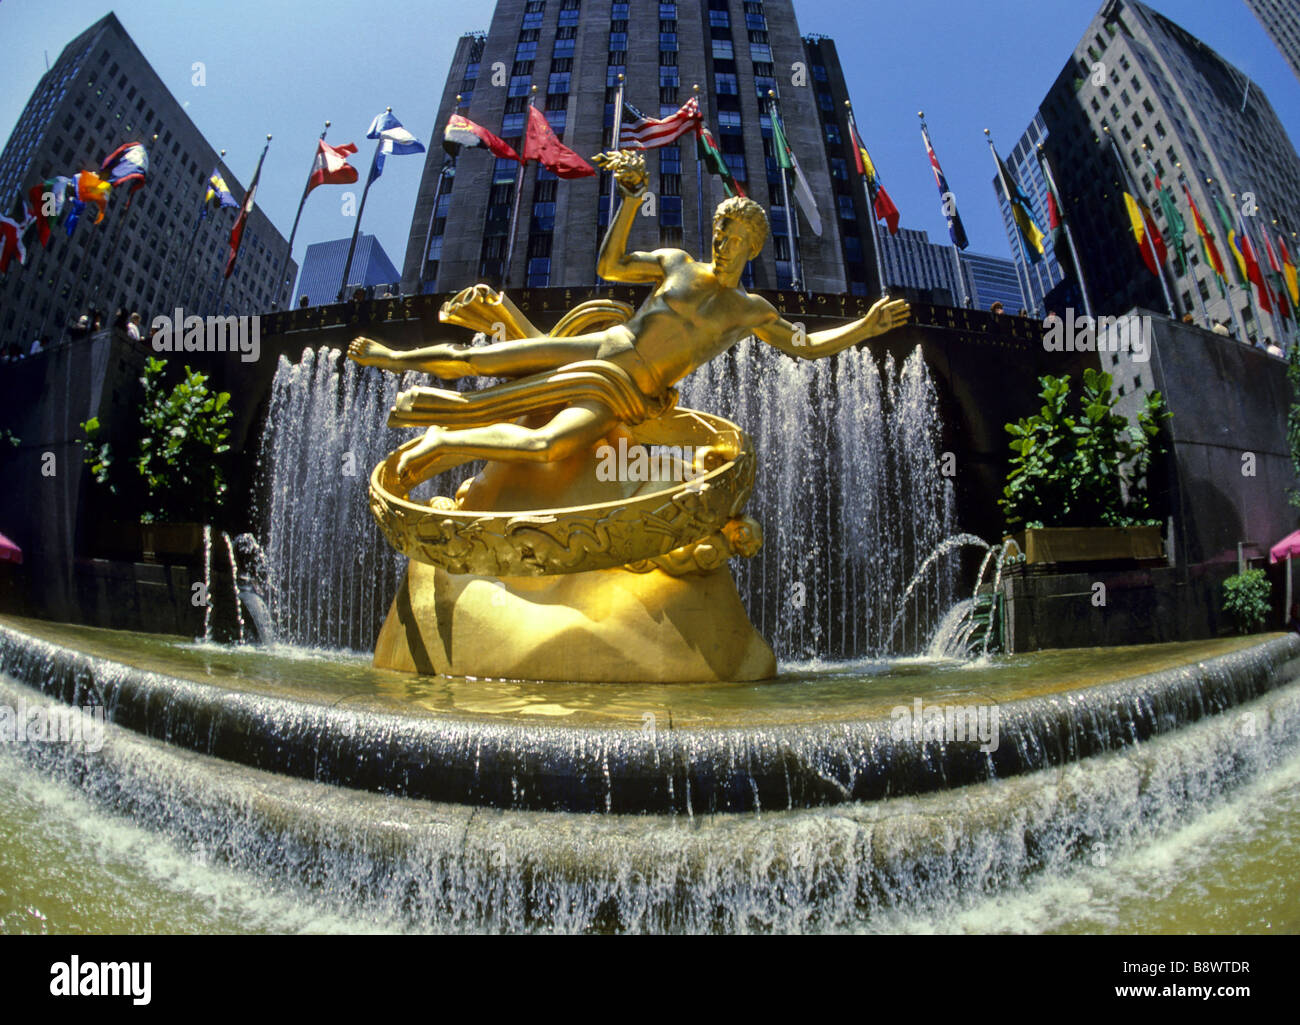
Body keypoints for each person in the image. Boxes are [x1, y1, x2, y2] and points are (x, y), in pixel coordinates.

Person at [349, 150, 911, 488]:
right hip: (602, 349)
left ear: (754, 248)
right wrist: (633, 199)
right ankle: (393, 358)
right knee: (476, 357)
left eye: (739, 239)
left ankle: (452, 441)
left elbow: (806, 345)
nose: (726, 243)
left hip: (628, 393)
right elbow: (611, 265)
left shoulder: (750, 311)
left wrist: (864, 326)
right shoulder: (677, 262)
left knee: (547, 447)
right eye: (722, 232)